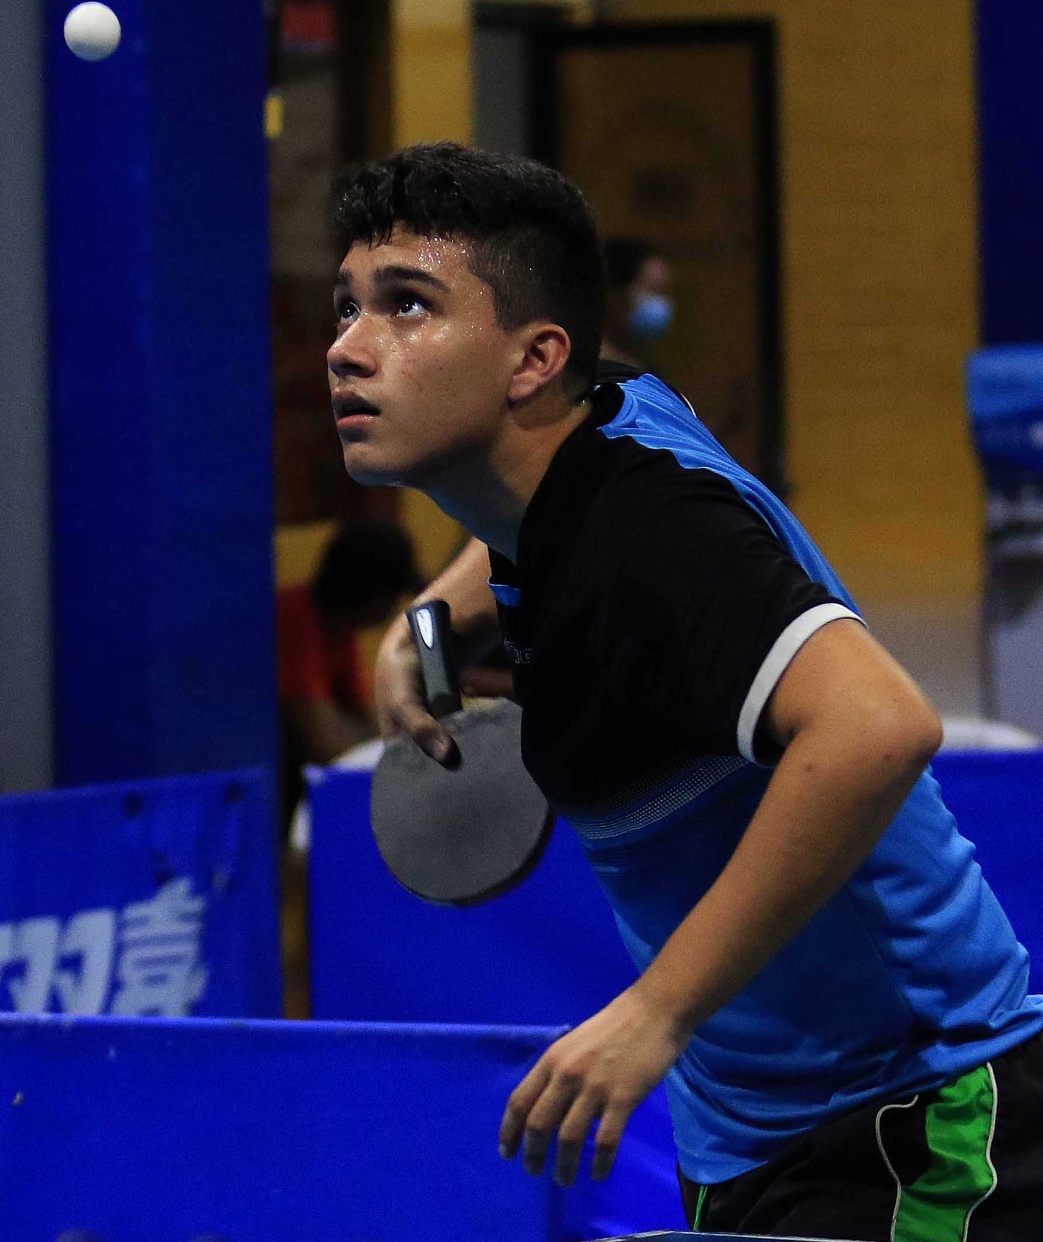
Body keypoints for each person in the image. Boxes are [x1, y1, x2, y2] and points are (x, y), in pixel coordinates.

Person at [325, 142, 1043, 1239]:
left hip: (907, 1122)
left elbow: (878, 727)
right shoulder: (603, 419)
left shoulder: (654, 538)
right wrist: (434, 616)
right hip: (746, 1131)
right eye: (348, 306)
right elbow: (597, 406)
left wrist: (653, 1015)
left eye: (407, 306)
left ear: (533, 360)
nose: (347, 348)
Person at [277, 519, 423, 821]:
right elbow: (323, 743)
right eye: (392, 594)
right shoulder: (293, 620)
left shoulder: (339, 631)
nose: (394, 606)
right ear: (369, 592)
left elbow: (369, 723)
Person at [600, 237, 675, 369]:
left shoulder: (643, 366)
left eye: (665, 292)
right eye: (653, 290)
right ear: (614, 291)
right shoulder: (583, 372)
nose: (662, 302)